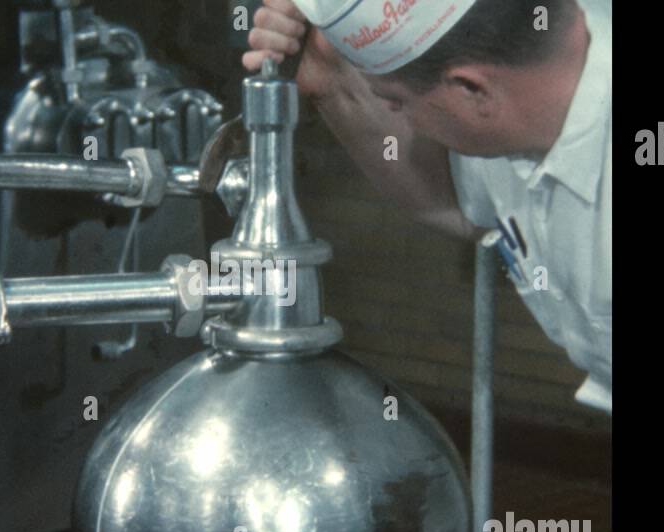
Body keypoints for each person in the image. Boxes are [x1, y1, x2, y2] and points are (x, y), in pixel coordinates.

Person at [244, 0, 612, 413]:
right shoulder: (530, 95)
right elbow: (447, 200)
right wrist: (327, 77)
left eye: (397, 103)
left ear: (472, 89)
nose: (399, 119)